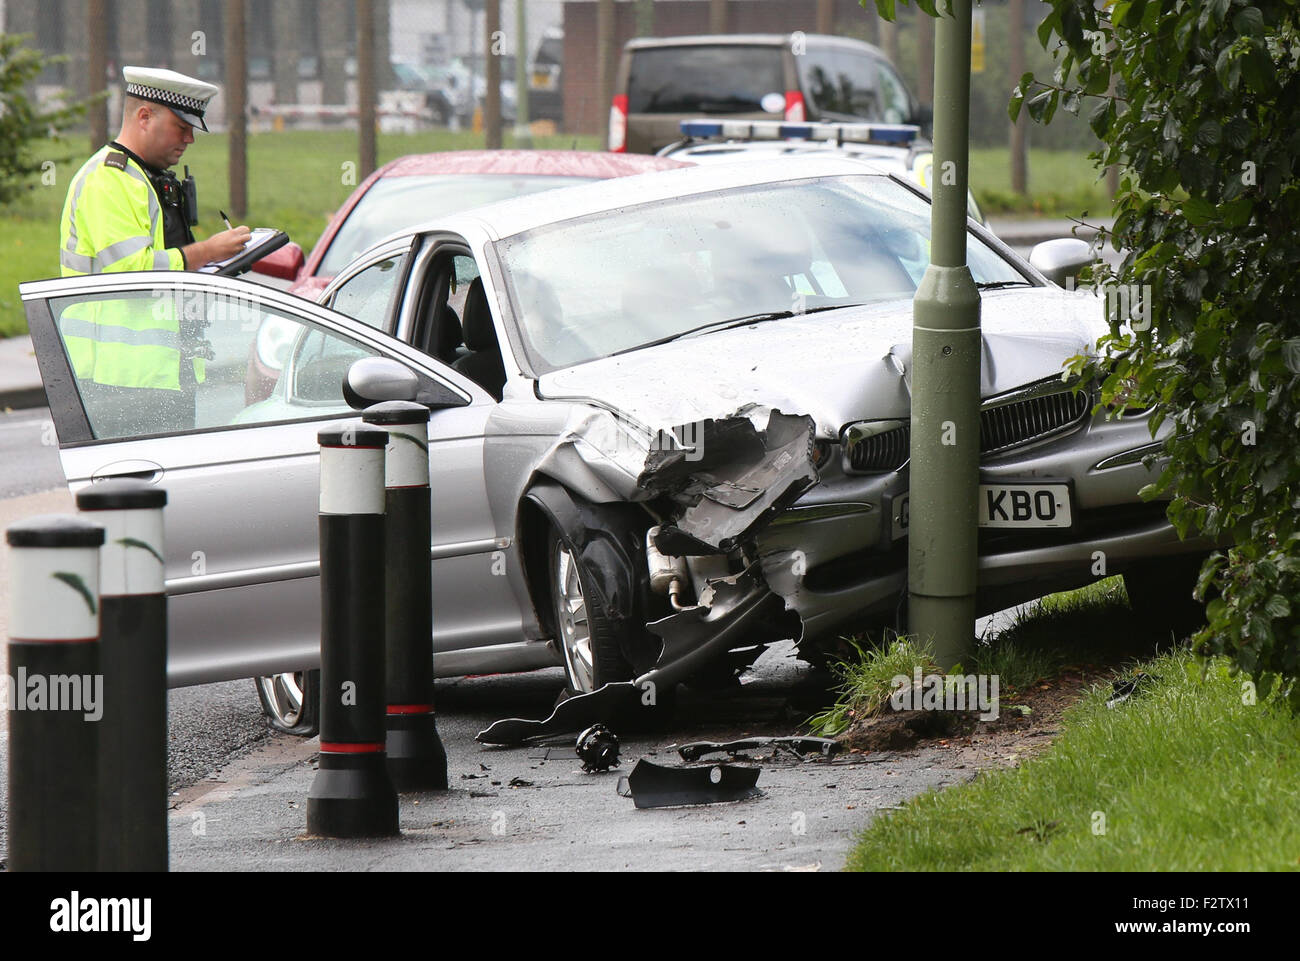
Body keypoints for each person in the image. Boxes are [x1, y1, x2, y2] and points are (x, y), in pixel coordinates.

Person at [58, 67, 252, 436]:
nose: (190, 139)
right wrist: (208, 251)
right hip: (120, 380)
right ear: (144, 116)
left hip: (157, 373)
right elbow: (134, 274)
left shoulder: (144, 178)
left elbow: (166, 264)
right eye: (183, 127)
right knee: (136, 491)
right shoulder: (109, 179)